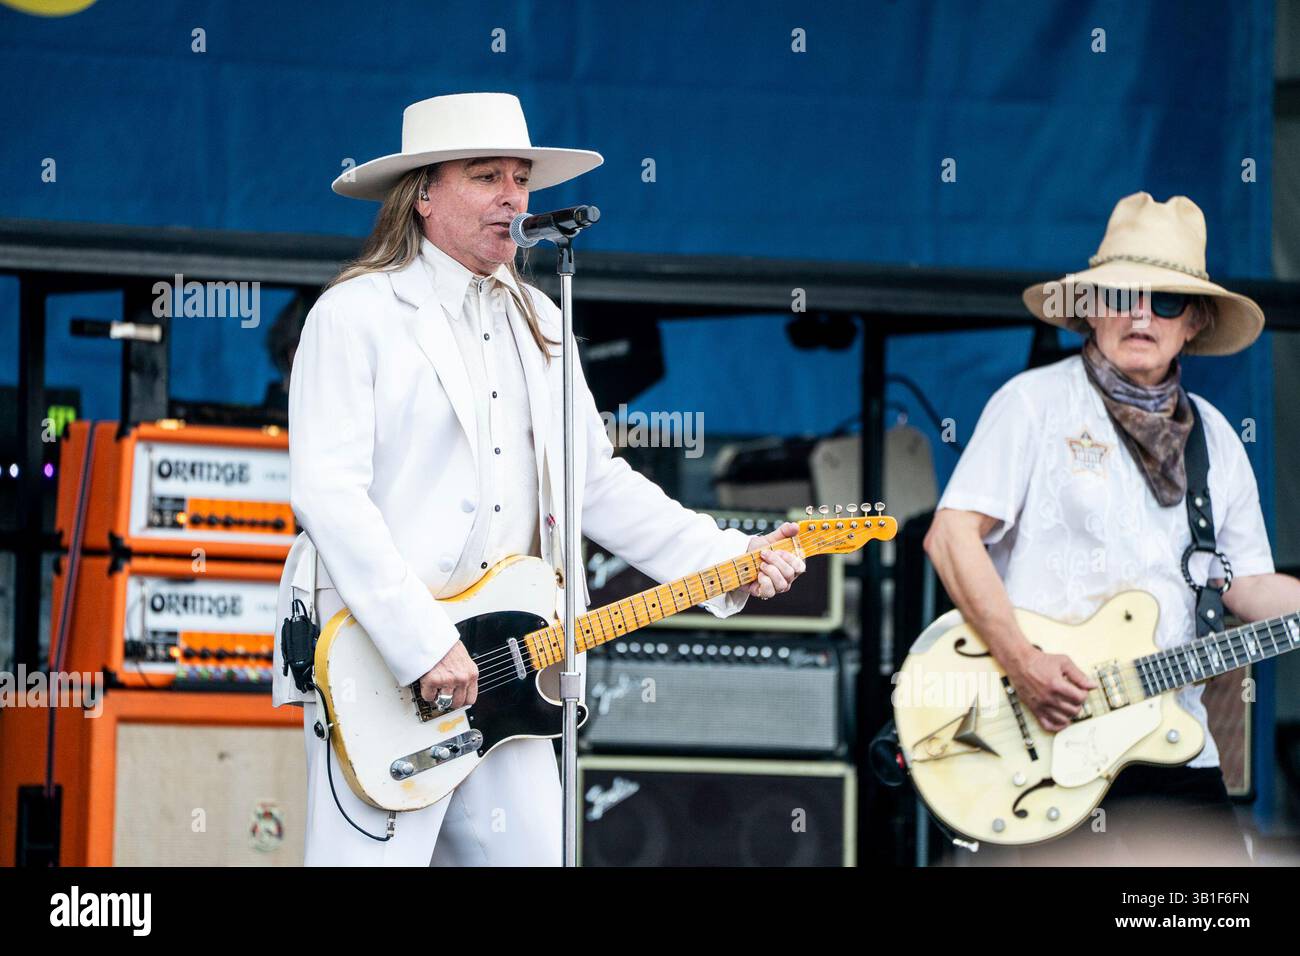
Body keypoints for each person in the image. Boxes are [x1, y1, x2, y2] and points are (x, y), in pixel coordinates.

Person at [272, 92, 805, 866]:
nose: (512, 197)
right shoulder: (357, 314)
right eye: (486, 175)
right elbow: (329, 494)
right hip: (383, 668)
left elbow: (595, 484)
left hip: (513, 669)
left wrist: (727, 554)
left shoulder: (544, 319)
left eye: (520, 178)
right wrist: (421, 644)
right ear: (423, 194)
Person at [924, 192, 1300, 865]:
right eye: (1121, 294)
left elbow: (1244, 585)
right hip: (1045, 726)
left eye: (1165, 301)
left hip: (1169, 734)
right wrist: (1024, 661)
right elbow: (950, 537)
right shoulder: (1033, 404)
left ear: (1195, 322)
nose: (1139, 314)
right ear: (1090, 308)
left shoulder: (1215, 436)